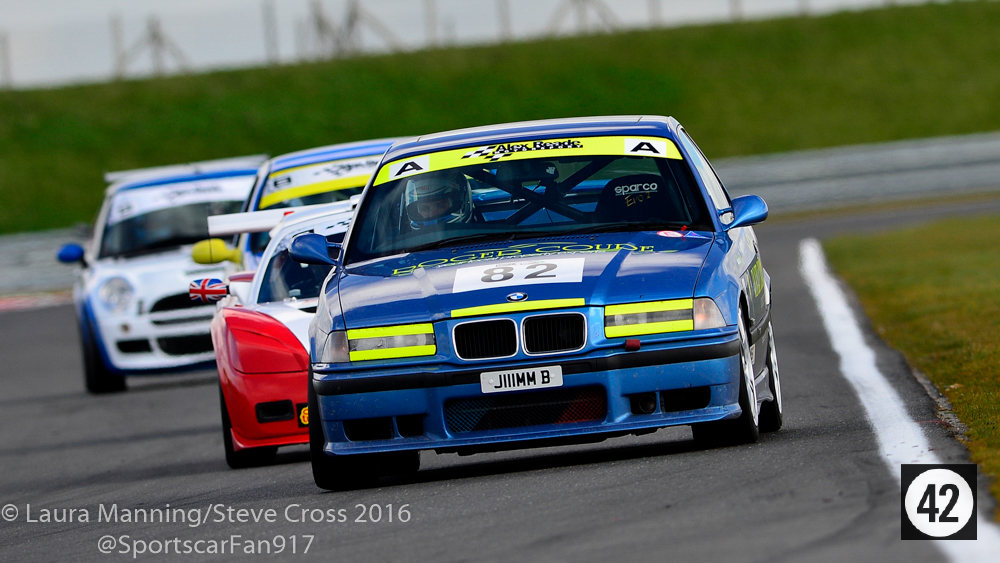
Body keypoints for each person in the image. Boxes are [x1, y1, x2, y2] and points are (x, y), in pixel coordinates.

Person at [403, 170, 474, 230]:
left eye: (440, 206)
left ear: (464, 202)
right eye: (425, 209)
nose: (432, 214)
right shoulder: (400, 243)